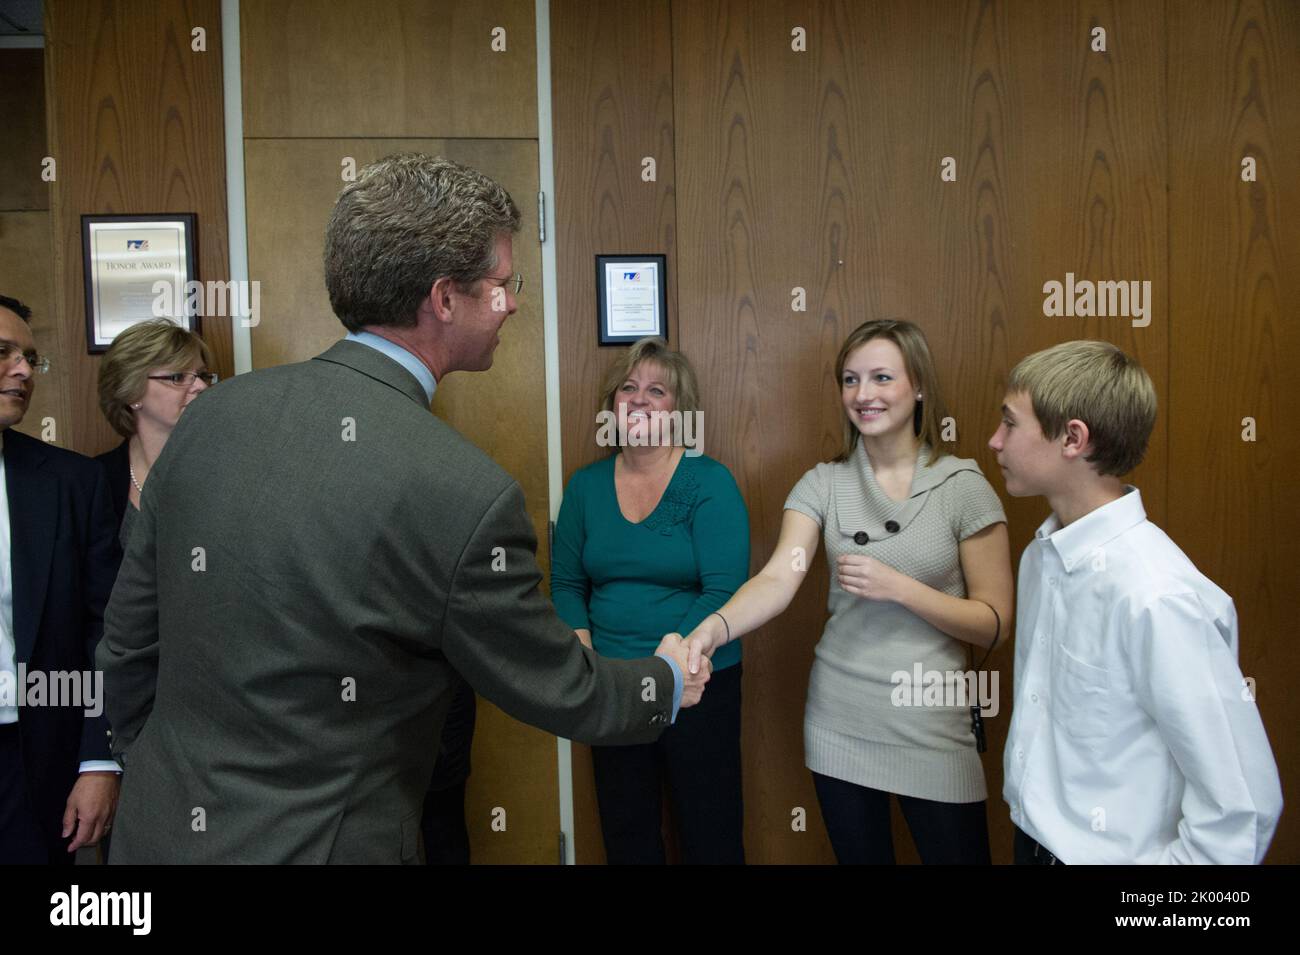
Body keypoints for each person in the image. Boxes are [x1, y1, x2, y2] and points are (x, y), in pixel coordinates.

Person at [97, 154, 708, 864]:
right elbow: (561, 688)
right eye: (504, 286)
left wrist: (147, 766)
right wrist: (664, 680)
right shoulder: (464, 491)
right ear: (444, 299)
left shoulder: (212, 414)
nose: (512, 303)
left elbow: (127, 642)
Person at [684, 319, 1013, 864]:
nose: (864, 395)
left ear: (919, 387)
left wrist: (901, 588)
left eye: (882, 378)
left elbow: (995, 624)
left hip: (932, 726)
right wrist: (712, 630)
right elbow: (777, 577)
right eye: (851, 380)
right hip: (842, 723)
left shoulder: (963, 488)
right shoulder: (823, 484)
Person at [989, 340, 1282, 864]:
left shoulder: (1157, 596)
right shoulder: (1041, 558)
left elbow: (1243, 810)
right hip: (1032, 843)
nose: (995, 441)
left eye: (1010, 423)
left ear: (1072, 439)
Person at [551, 337, 750, 864]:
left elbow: (724, 588)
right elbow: (567, 585)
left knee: (711, 834)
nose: (638, 400)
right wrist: (587, 662)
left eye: (656, 390)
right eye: (628, 388)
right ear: (611, 403)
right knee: (628, 835)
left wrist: (673, 662)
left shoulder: (708, 482)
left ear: (680, 411)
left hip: (702, 681)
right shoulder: (586, 487)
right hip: (613, 688)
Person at [0, 294, 121, 864]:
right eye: (4, 353)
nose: (24, 370)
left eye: (29, 357)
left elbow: (104, 631)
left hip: (29, 763)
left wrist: (99, 761)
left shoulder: (71, 483)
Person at [95, 318, 216, 539]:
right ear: (132, 392)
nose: (201, 386)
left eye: (202, 375)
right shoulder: (95, 479)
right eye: (178, 376)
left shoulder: (229, 470)